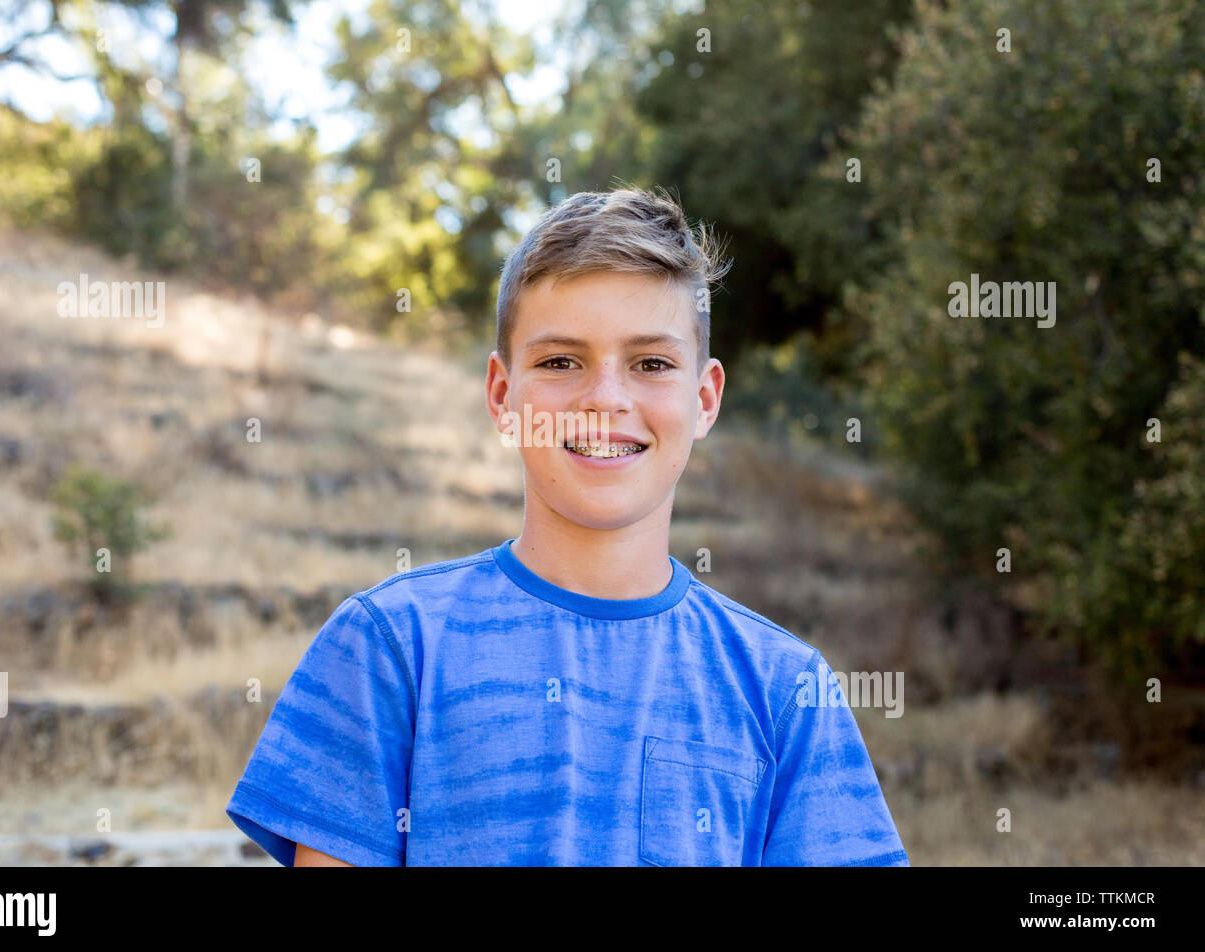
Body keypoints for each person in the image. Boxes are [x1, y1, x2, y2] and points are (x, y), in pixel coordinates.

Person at [225, 185, 909, 866]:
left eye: (651, 364)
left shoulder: (784, 688)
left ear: (704, 400)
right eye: (560, 362)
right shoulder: (390, 648)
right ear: (503, 395)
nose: (605, 399)